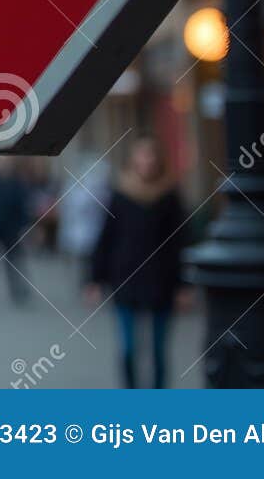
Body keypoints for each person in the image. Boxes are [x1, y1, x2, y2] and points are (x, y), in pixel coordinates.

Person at [86, 137, 188, 389]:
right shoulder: (121, 194)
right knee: (129, 348)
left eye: (151, 155)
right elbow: (106, 237)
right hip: (126, 279)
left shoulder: (169, 195)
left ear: (158, 160)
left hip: (162, 281)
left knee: (158, 349)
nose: (146, 161)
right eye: (141, 155)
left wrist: (185, 285)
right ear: (133, 160)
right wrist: (94, 279)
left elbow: (181, 242)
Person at [0, 157, 31, 304]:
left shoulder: (15, 183)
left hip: (9, 229)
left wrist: (24, 225)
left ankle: (19, 291)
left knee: (15, 261)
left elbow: (22, 207)